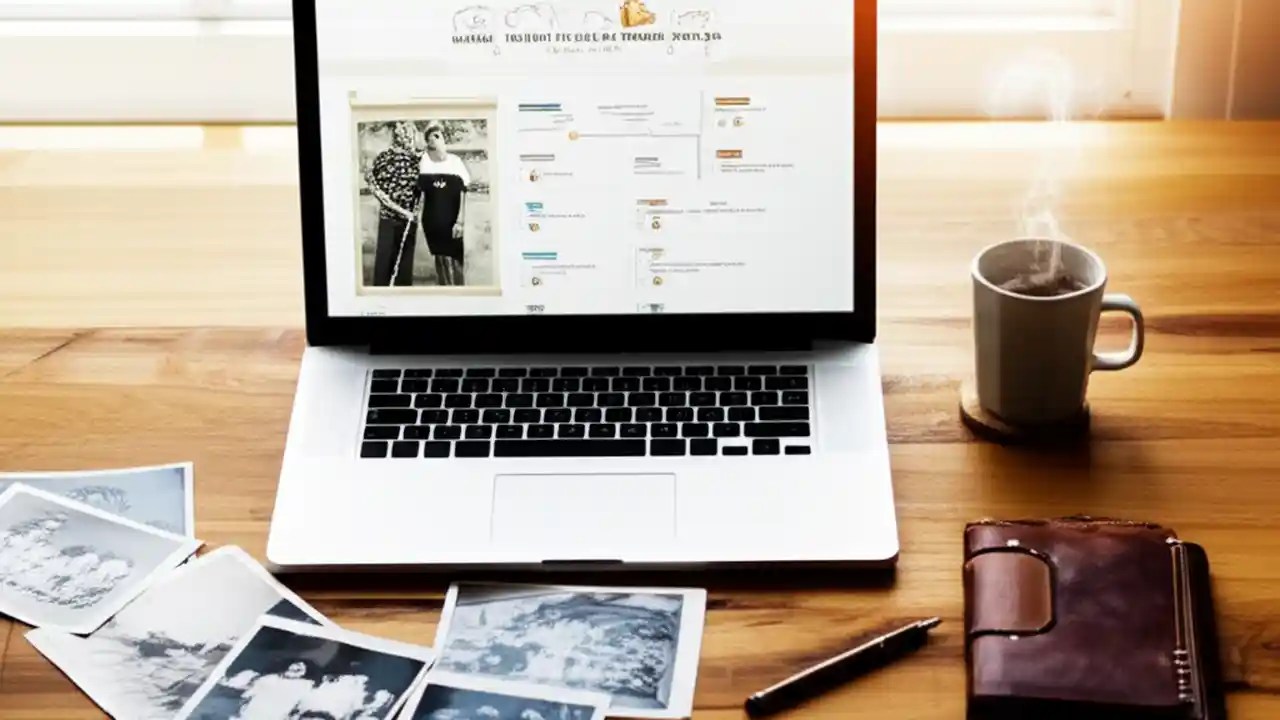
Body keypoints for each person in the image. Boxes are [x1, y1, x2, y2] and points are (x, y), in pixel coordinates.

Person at [367, 122, 423, 287]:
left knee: (404, 272)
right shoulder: (385, 158)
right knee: (384, 269)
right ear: (400, 137)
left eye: (412, 137)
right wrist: (403, 212)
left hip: (409, 222)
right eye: (409, 136)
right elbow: (374, 185)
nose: (412, 140)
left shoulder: (416, 160)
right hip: (390, 220)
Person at [418, 122, 471, 287]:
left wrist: (460, 221)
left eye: (437, 136)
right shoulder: (424, 163)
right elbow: (420, 194)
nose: (433, 140)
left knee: (455, 260)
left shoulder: (456, 162)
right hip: (432, 223)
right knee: (441, 262)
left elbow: (463, 192)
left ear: (444, 139)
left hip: (453, 222)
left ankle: (461, 295)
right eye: (430, 137)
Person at [225, 659, 315, 719]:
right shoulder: (270, 678)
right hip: (250, 713)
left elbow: (302, 707)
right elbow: (247, 695)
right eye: (295, 665)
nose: (295, 668)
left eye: (300, 668)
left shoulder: (305, 686)